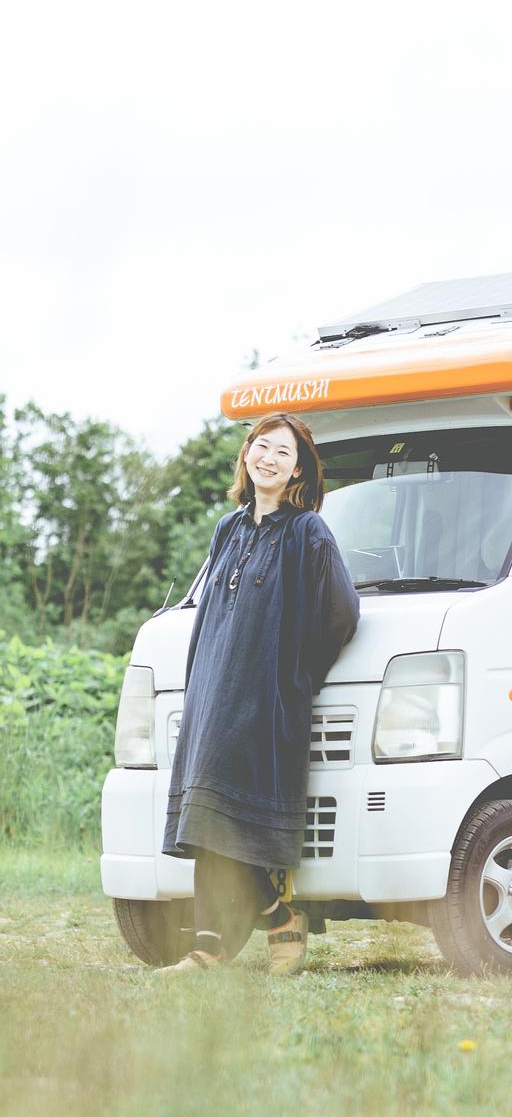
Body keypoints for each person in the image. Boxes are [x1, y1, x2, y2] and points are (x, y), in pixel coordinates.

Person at [159, 412, 359, 974]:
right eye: (261, 446)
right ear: (247, 454)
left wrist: (296, 673)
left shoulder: (307, 531)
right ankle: (220, 942)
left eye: (283, 452)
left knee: (228, 818)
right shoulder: (229, 527)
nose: (269, 458)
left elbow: (341, 611)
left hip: (266, 699)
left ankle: (271, 919)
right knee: (203, 815)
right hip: (213, 693)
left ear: (298, 469)